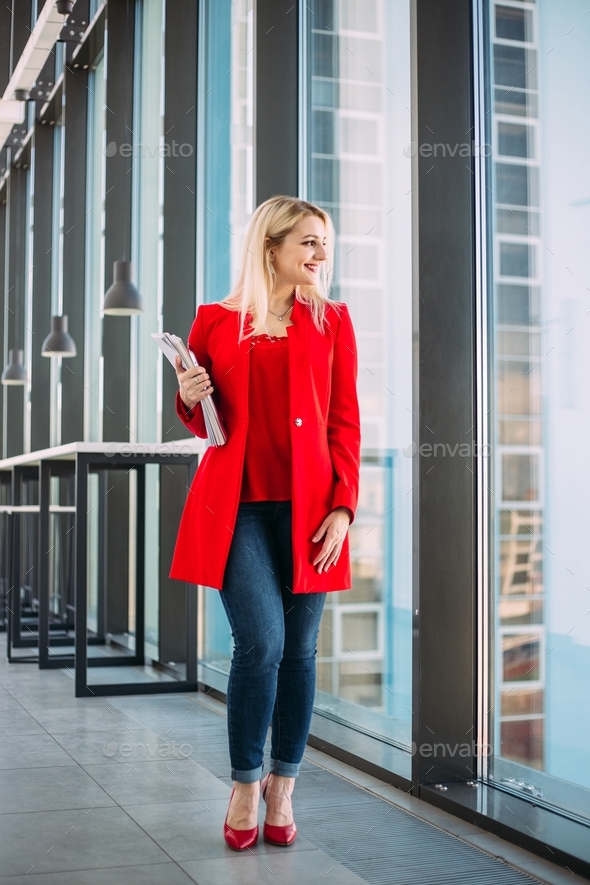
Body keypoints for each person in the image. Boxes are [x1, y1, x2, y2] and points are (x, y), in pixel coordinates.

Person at [171, 195, 361, 851]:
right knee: (261, 643)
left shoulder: (333, 321)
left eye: (323, 242)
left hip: (312, 512)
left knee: (301, 651)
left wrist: (344, 507)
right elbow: (203, 418)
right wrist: (188, 397)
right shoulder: (215, 320)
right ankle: (246, 784)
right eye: (308, 241)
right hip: (238, 509)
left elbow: (345, 422)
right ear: (271, 247)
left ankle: (284, 785)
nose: (320, 254)